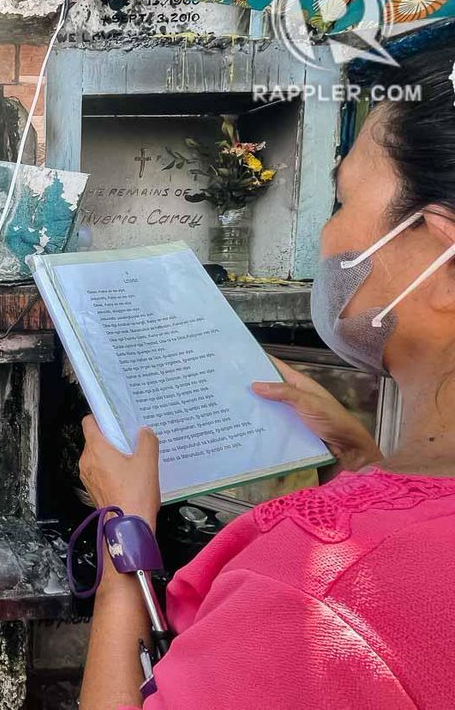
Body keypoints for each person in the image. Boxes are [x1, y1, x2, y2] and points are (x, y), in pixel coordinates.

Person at [76, 41, 455, 709]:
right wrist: (363, 465)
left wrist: (124, 537)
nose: (327, 239)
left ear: (439, 251)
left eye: (340, 203)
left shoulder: (317, 595)